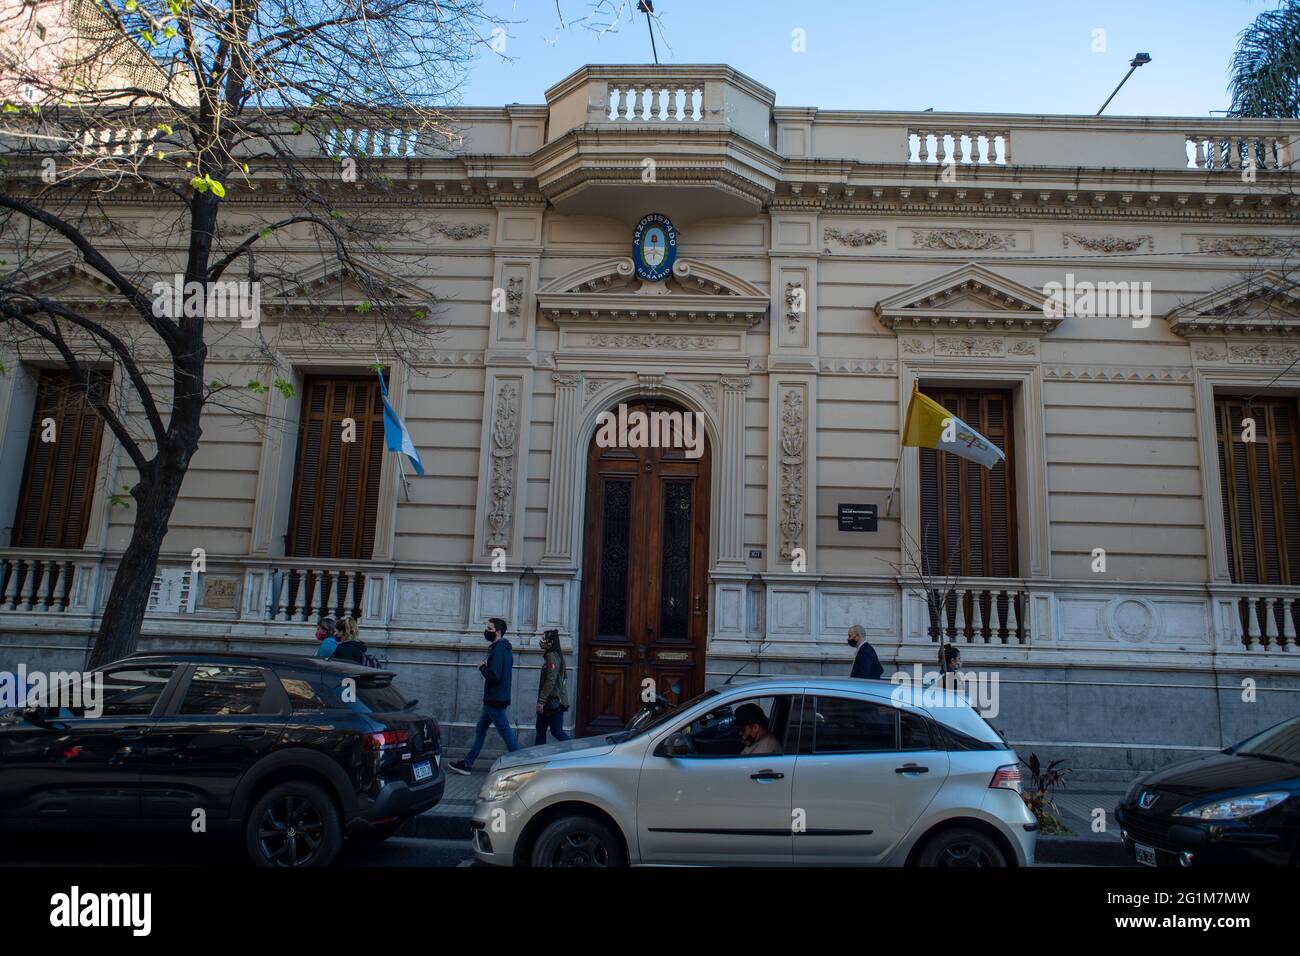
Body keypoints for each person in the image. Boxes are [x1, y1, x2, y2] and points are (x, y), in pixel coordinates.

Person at [447, 618, 519, 774]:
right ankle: (467, 763)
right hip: (496, 698)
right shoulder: (503, 649)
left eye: (489, 628)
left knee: (505, 732)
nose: (487, 630)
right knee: (481, 729)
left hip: (495, 699)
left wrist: (482, 667)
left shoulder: (499, 650)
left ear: (497, 631)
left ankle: (522, 762)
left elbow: (495, 676)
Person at [534, 629, 572, 746]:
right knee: (541, 730)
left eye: (543, 639)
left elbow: (551, 680)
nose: (541, 641)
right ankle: (539, 757)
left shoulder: (552, 656)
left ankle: (573, 750)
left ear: (551, 642)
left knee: (556, 732)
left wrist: (541, 700)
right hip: (550, 701)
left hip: (552, 701)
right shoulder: (553, 655)